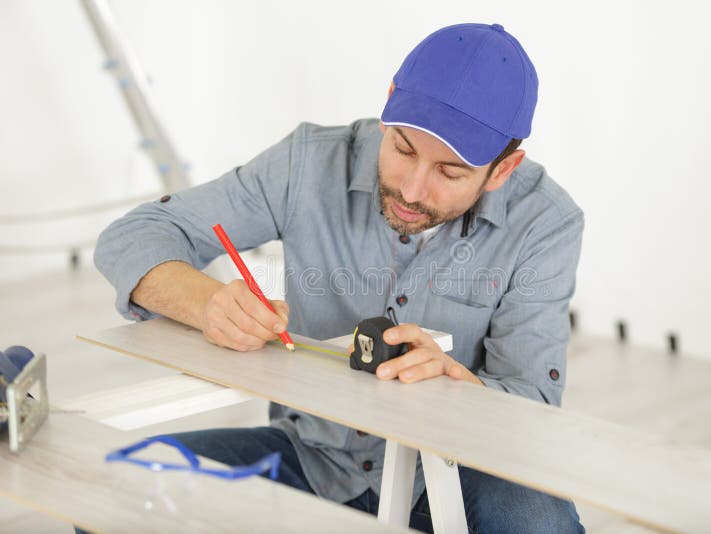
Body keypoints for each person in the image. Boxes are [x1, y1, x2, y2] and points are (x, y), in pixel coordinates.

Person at [95, 22, 585, 533]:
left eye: (451, 172)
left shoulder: (545, 222)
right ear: (389, 104)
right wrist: (208, 304)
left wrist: (458, 388)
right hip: (315, 458)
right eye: (402, 149)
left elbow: (533, 410)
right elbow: (133, 237)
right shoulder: (308, 163)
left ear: (503, 170)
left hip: (457, 468)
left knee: (539, 524)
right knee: (120, 493)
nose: (413, 190)